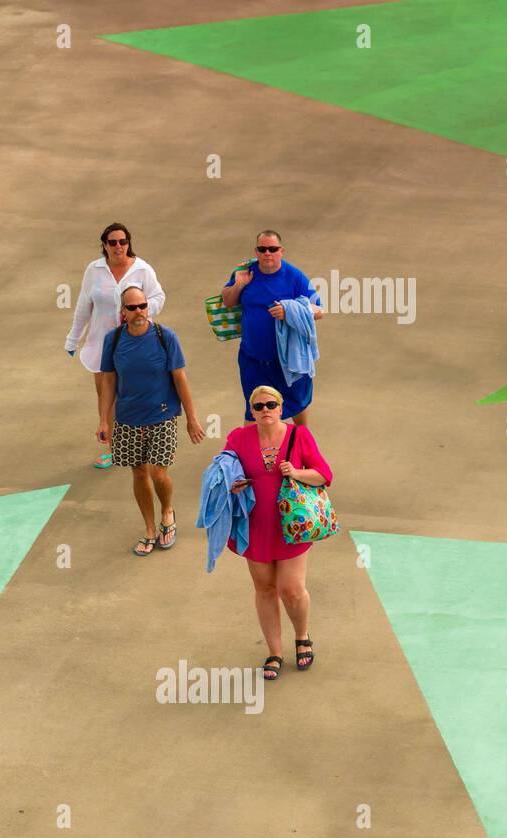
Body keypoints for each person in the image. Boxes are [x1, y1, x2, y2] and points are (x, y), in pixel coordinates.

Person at [224, 387, 334, 679]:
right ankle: (274, 651)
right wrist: (232, 483)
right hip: (255, 525)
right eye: (258, 407)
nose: (265, 410)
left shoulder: (299, 435)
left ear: (281, 407)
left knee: (292, 589)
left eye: (271, 404)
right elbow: (222, 471)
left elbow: (324, 474)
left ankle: (302, 636)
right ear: (252, 411)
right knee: (265, 588)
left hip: (291, 525)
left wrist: (296, 472)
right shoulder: (238, 438)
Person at [96, 286, 205, 556]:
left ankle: (167, 511)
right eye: (132, 308)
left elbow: (180, 378)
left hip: (163, 415)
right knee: (138, 472)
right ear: (123, 312)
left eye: (142, 306)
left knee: (158, 472)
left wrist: (191, 419)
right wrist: (103, 420)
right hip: (128, 418)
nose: (138, 312)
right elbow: (109, 380)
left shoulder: (165, 336)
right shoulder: (114, 339)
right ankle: (148, 529)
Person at [65, 222, 166, 468]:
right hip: (102, 343)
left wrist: (138, 310)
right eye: (113, 242)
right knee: (106, 396)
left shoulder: (142, 269)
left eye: (123, 242)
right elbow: (83, 306)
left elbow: (159, 298)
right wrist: (73, 338)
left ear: (128, 244)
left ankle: (142, 444)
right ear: (105, 245)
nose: (118, 246)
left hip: (135, 341)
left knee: (133, 394)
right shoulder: (94, 270)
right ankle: (115, 449)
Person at [219, 230, 324, 425]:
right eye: (262, 249)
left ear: (281, 251)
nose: (268, 253)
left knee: (297, 407)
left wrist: (290, 310)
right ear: (256, 251)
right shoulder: (245, 272)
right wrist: (239, 284)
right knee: (255, 411)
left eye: (273, 249)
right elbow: (228, 301)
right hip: (254, 361)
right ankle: (251, 453)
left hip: (288, 362)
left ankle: (301, 447)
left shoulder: (295, 277)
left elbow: (319, 310)